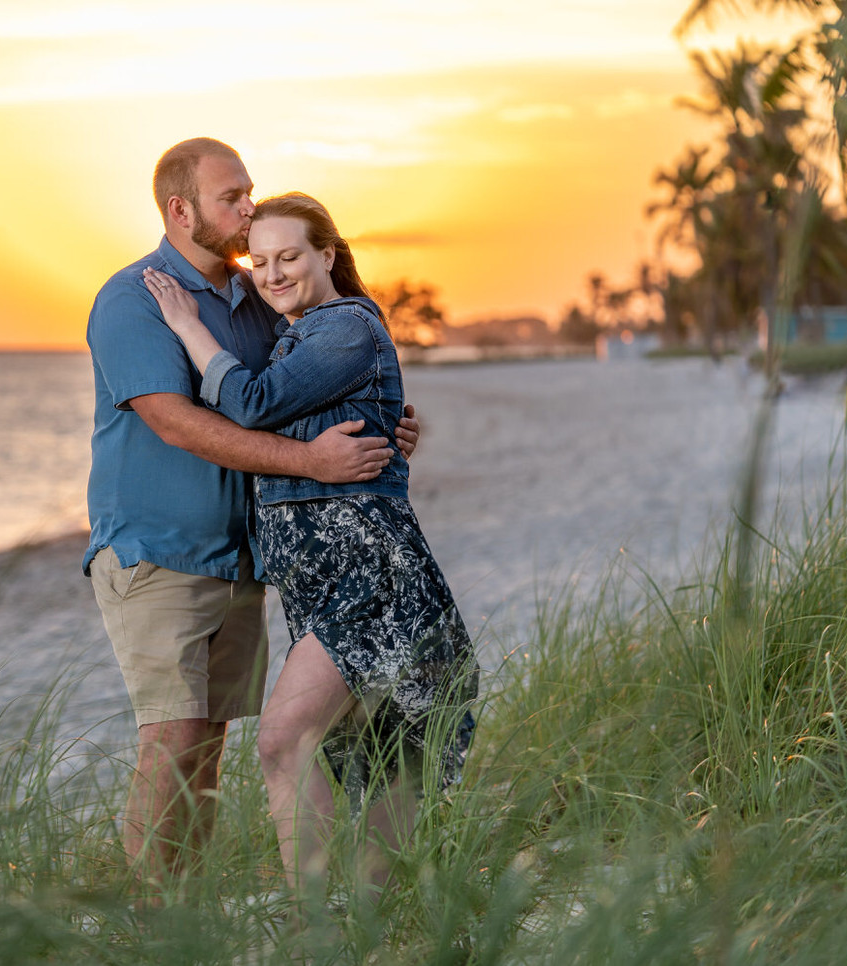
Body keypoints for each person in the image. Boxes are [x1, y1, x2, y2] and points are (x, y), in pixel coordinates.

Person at [85, 138, 421, 895]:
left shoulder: (251, 297)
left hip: (242, 559)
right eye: (230, 197)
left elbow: (306, 389)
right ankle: (153, 922)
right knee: (172, 741)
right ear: (181, 210)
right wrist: (311, 463)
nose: (248, 208)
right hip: (160, 553)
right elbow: (174, 420)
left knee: (206, 747)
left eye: (249, 191)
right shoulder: (134, 298)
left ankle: (189, 913)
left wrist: (388, 422)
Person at [142, 192, 477, 916]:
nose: (272, 272)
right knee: (379, 756)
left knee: (284, 738)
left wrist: (187, 327)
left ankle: (313, 926)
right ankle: (365, 926)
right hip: (320, 580)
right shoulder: (303, 334)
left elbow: (256, 405)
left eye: (289, 256)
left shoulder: (348, 326)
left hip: (367, 571)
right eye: (258, 261)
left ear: (328, 253)